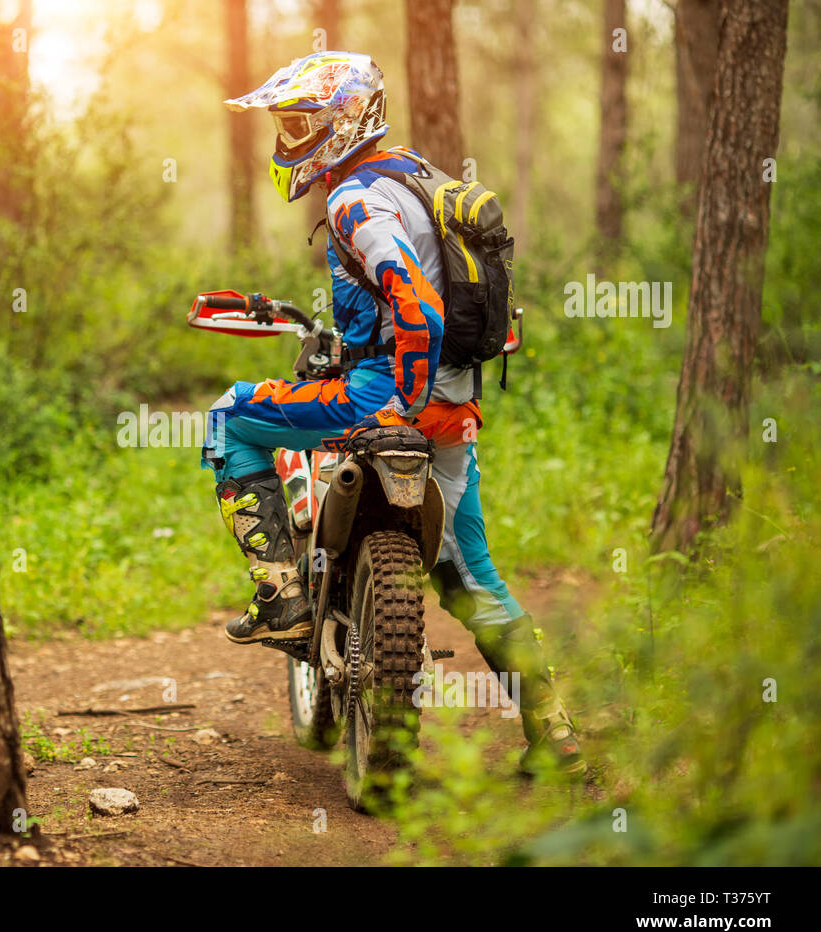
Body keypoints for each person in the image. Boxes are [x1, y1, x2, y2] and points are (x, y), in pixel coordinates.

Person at [201, 51, 584, 775]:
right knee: (470, 575)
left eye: (299, 124)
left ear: (345, 120)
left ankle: (280, 593)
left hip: (387, 396)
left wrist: (399, 403)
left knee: (229, 417)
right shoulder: (417, 175)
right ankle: (554, 733)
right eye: (285, 127)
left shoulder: (352, 200)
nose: (288, 141)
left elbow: (415, 303)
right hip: (455, 406)